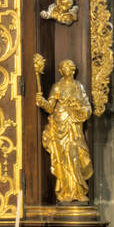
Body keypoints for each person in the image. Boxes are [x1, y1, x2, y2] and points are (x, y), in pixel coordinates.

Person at [37, 59, 92, 202]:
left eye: (70, 66)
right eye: (64, 66)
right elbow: (50, 107)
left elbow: (87, 106)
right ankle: (66, 191)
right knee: (65, 158)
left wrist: (80, 109)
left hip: (75, 126)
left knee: (76, 156)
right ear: (61, 71)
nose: (68, 68)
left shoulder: (79, 87)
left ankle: (78, 190)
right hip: (60, 126)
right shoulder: (57, 87)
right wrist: (42, 101)